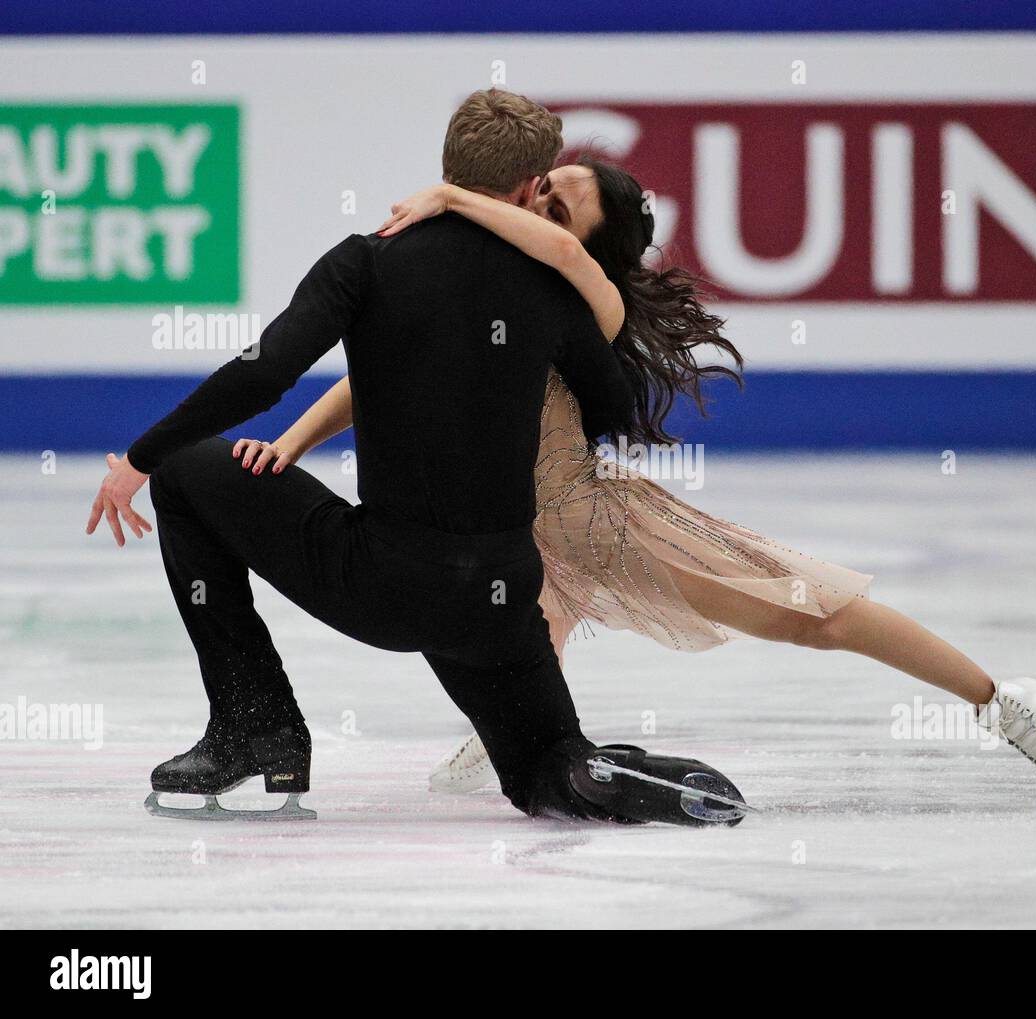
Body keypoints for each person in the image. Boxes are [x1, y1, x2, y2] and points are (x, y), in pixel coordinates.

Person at [235, 151, 1036, 807]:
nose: (535, 197)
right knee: (530, 613)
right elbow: (380, 374)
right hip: (513, 536)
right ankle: (506, 737)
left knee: (811, 613)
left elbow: (558, 258)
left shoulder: (574, 295)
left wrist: (454, 195)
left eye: (556, 200)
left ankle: (1006, 700)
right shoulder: (491, 280)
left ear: (586, 243)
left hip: (597, 526)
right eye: (542, 183)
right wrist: (296, 439)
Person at [85, 89, 750, 827]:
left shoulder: (367, 262)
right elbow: (615, 412)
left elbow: (263, 372)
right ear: (529, 189)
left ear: (447, 166)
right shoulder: (547, 288)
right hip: (500, 597)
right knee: (545, 771)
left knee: (184, 470)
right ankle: (594, 773)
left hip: (387, 582)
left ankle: (255, 725)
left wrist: (142, 458)